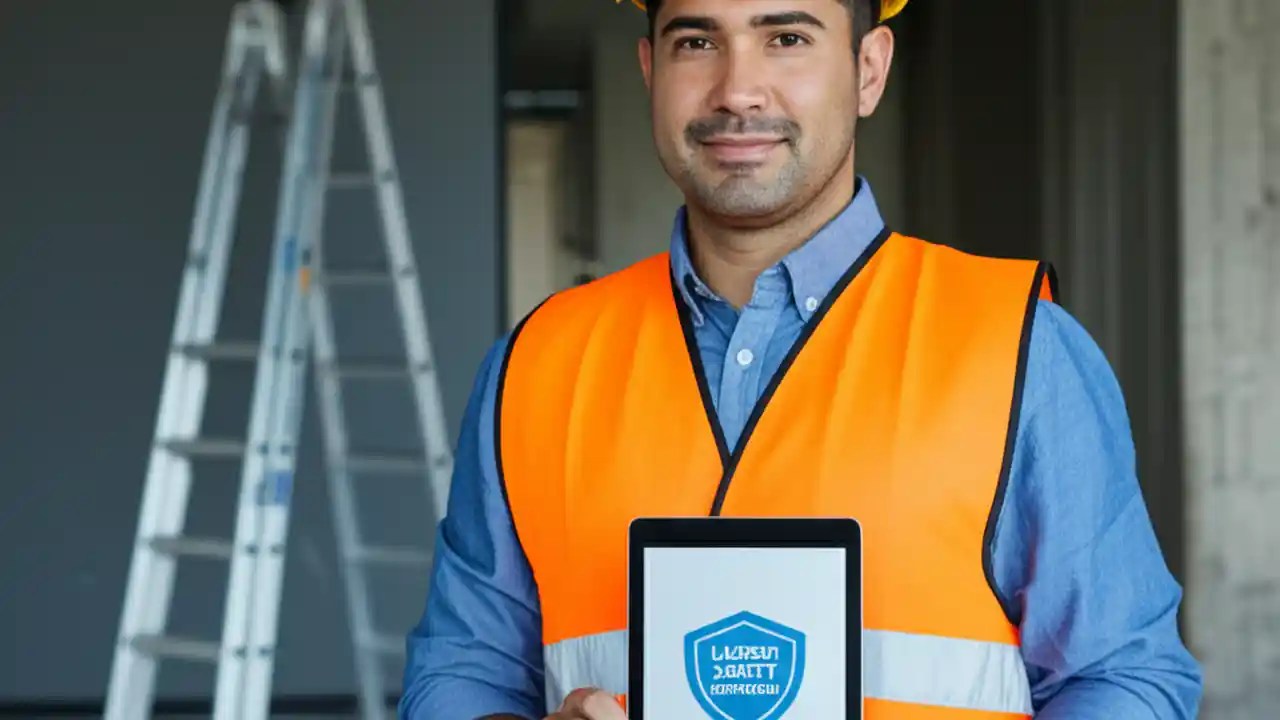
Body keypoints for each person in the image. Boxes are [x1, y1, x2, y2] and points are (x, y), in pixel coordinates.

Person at [399, 0, 1203, 717]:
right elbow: (460, 673)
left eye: (785, 36)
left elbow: (1125, 678)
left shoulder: (1022, 351)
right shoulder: (539, 365)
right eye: (695, 41)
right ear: (649, 67)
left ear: (868, 69)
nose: (737, 90)